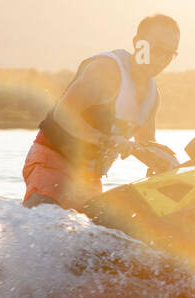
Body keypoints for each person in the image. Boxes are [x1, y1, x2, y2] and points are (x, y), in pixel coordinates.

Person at [22, 14, 180, 210]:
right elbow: (63, 114)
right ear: (137, 43)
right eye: (157, 50)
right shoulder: (105, 70)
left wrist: (170, 167)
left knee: (90, 238)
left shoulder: (152, 96)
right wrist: (105, 140)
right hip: (52, 162)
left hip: (89, 179)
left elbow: (146, 144)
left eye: (170, 54)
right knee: (47, 226)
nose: (162, 59)